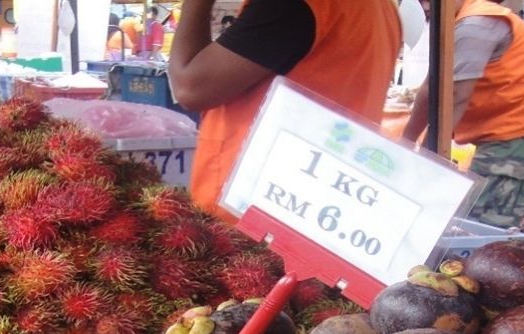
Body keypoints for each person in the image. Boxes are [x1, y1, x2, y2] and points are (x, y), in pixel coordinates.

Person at [168, 0, 402, 218]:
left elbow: (190, 89)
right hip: (317, 205)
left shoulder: (292, 5)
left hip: (256, 213)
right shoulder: (382, 7)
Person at [402, 0, 524, 228]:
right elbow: (431, 87)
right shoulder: (454, 24)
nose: (424, 6)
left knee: (483, 220)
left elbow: (454, 94)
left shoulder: (476, 24)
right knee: (473, 216)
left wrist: (428, 155)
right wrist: (406, 142)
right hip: (508, 128)